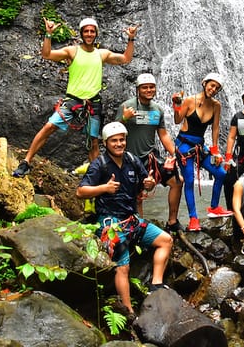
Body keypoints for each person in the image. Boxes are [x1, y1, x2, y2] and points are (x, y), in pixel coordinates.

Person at [14, 17, 139, 176]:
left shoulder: (102, 54)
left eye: (92, 31)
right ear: (81, 33)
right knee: (49, 127)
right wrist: (48, 34)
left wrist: (131, 38)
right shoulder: (72, 51)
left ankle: (96, 176)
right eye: (86, 31)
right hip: (73, 99)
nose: (89, 34)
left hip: (92, 102)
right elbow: (46, 54)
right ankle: (26, 162)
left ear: (96, 34)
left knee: (93, 142)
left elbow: (126, 59)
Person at [76, 122, 173, 317]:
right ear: (106, 143)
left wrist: (149, 183)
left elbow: (147, 184)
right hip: (110, 223)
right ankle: (128, 311)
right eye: (114, 141)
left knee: (166, 240)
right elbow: (80, 191)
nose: (119, 143)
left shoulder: (131, 159)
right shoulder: (100, 164)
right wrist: (104, 188)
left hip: (131, 219)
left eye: (122, 139)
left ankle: (156, 284)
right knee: (123, 266)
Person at [116, 73, 184, 231]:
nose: (148, 90)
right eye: (144, 87)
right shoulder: (127, 106)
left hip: (150, 157)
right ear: (138, 89)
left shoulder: (157, 110)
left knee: (177, 181)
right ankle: (138, 227)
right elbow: (113, 131)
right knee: (137, 195)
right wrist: (124, 118)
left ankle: (172, 222)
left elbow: (163, 134)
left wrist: (176, 154)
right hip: (129, 158)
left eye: (151, 87)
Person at [172, 73, 232, 232]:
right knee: (189, 180)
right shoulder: (190, 100)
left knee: (220, 173)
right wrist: (176, 105)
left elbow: (216, 128)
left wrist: (216, 151)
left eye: (217, 88)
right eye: (212, 85)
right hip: (184, 145)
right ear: (204, 83)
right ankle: (193, 218)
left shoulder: (216, 105)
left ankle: (214, 207)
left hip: (200, 146)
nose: (213, 89)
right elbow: (177, 120)